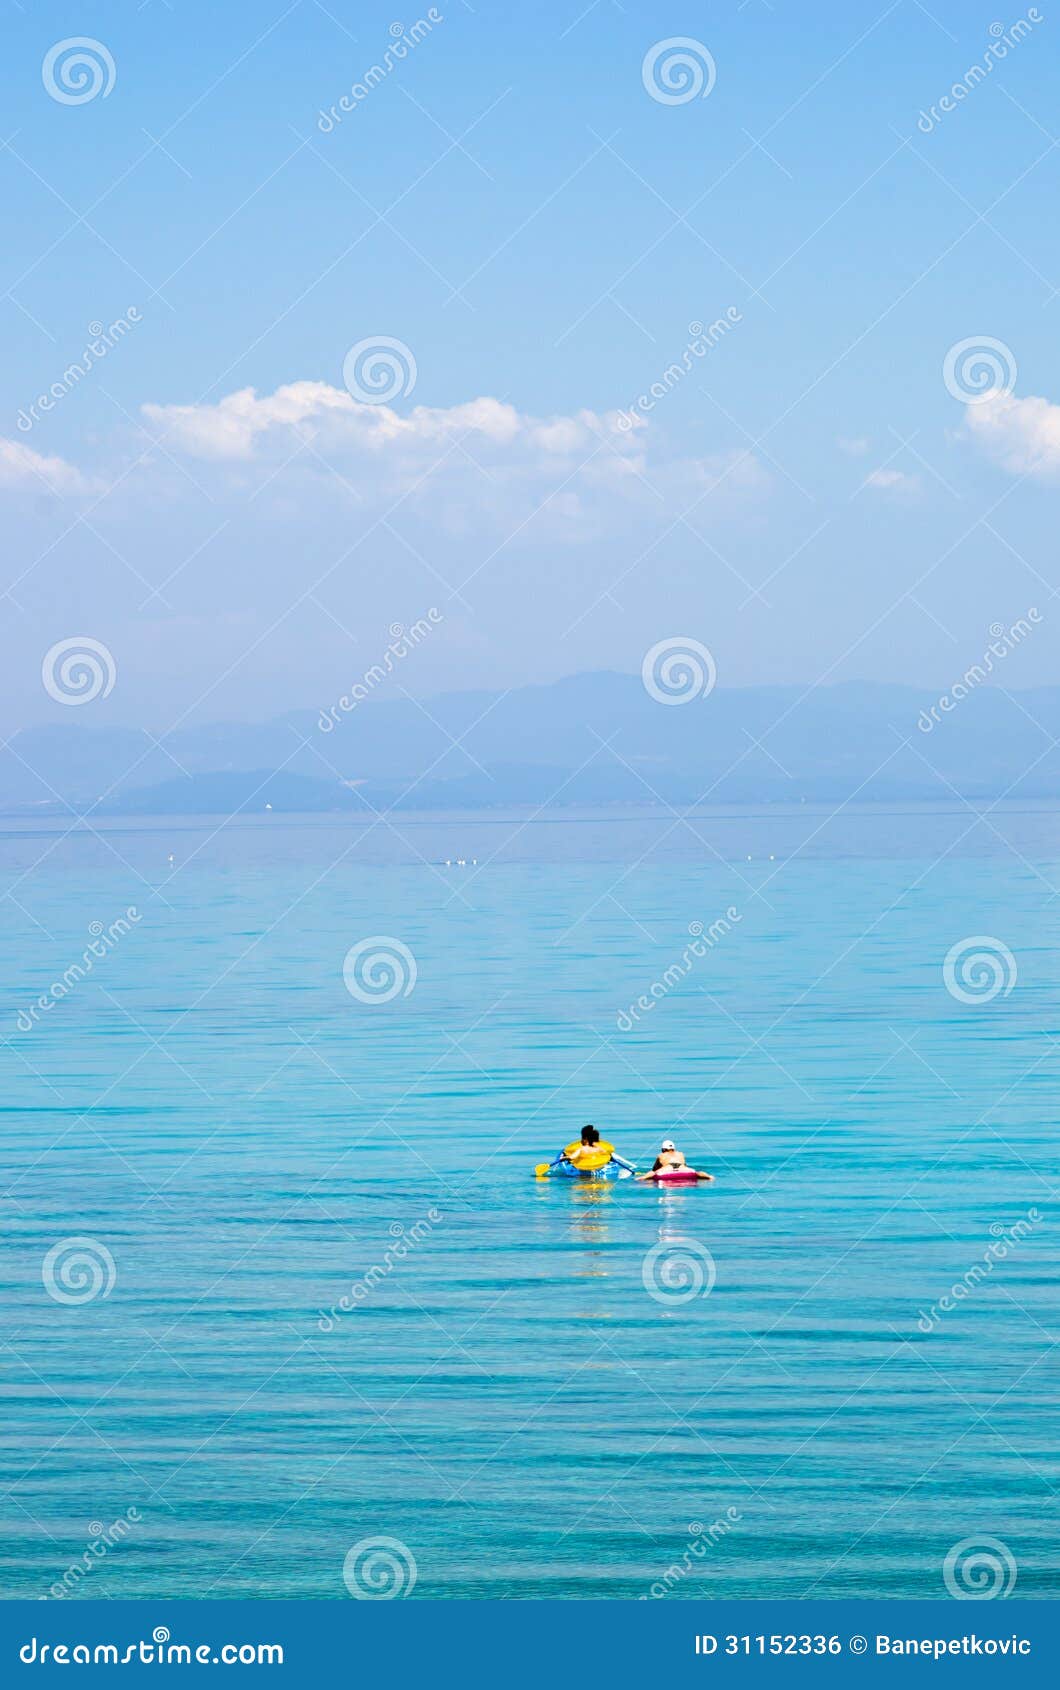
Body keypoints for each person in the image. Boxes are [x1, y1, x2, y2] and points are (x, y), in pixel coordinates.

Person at [548, 1125, 636, 1175]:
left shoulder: (582, 1149)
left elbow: (572, 1157)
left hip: (583, 1172)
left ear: (585, 1139)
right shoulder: (599, 1148)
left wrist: (564, 1158)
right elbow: (607, 1155)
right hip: (599, 1169)